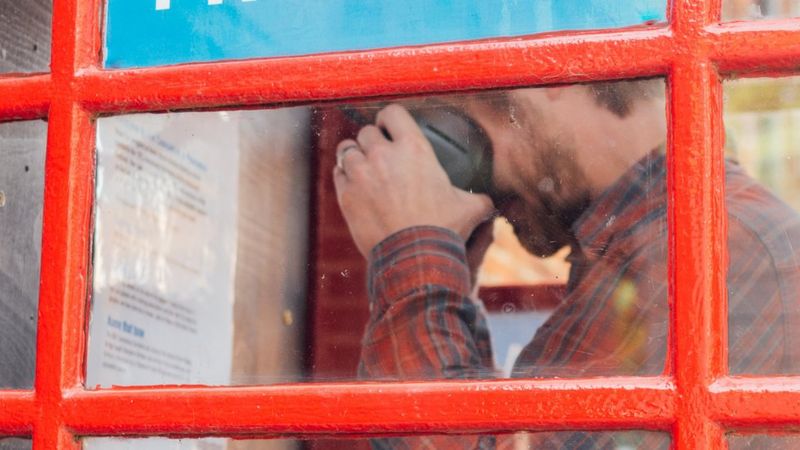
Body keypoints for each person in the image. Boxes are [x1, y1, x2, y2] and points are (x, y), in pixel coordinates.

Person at [332, 80, 800, 449]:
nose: (463, 175)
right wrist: (444, 261)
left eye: (446, 130)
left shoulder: (718, 252)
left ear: (549, 74)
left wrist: (414, 249)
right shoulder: (655, 244)